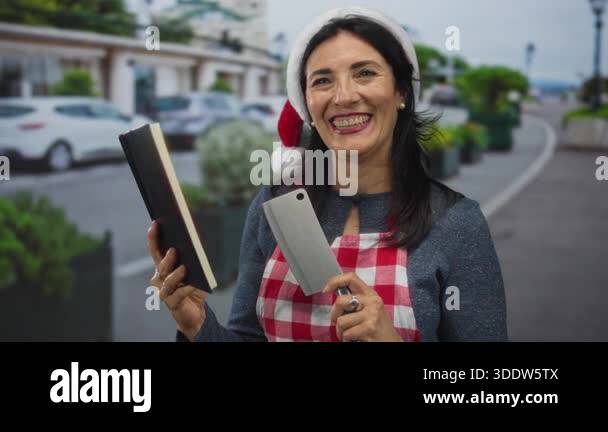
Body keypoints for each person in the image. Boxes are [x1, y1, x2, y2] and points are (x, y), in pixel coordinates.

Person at [147, 6, 508, 342]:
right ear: (307, 104)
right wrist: (196, 324)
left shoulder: (456, 224)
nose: (344, 96)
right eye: (322, 81)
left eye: (364, 73)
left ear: (400, 90)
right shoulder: (276, 205)